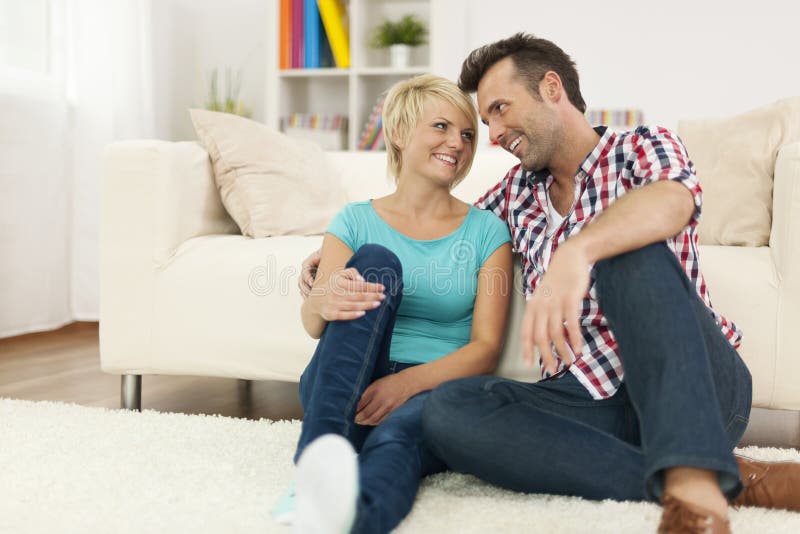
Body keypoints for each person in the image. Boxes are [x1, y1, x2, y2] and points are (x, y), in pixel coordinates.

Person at [302, 34, 800, 533]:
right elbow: (444, 231)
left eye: (500, 109)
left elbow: (674, 201)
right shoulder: (515, 194)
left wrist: (580, 250)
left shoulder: (642, 146)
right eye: (487, 123)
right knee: (450, 410)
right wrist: (332, 260)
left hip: (695, 383)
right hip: (584, 397)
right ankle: (730, 479)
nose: (494, 134)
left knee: (626, 254)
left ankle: (697, 496)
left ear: (552, 88)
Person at [285, 74, 513, 534]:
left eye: (468, 134)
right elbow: (314, 324)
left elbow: (486, 348)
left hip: (431, 390)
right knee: (376, 261)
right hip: (344, 384)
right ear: (400, 133)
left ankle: (351, 519)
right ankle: (317, 464)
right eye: (441, 127)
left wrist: (404, 385)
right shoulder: (354, 221)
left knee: (395, 439)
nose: (458, 143)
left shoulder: (488, 232)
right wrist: (321, 299)